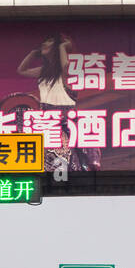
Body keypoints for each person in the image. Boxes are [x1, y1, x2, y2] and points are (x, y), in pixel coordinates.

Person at [17, 34, 101, 172]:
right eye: (44, 41)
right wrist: (33, 53)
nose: (44, 44)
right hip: (46, 119)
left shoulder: (63, 71)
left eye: (49, 41)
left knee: (78, 157)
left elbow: (65, 65)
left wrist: (62, 46)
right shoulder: (44, 71)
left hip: (65, 118)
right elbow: (21, 70)